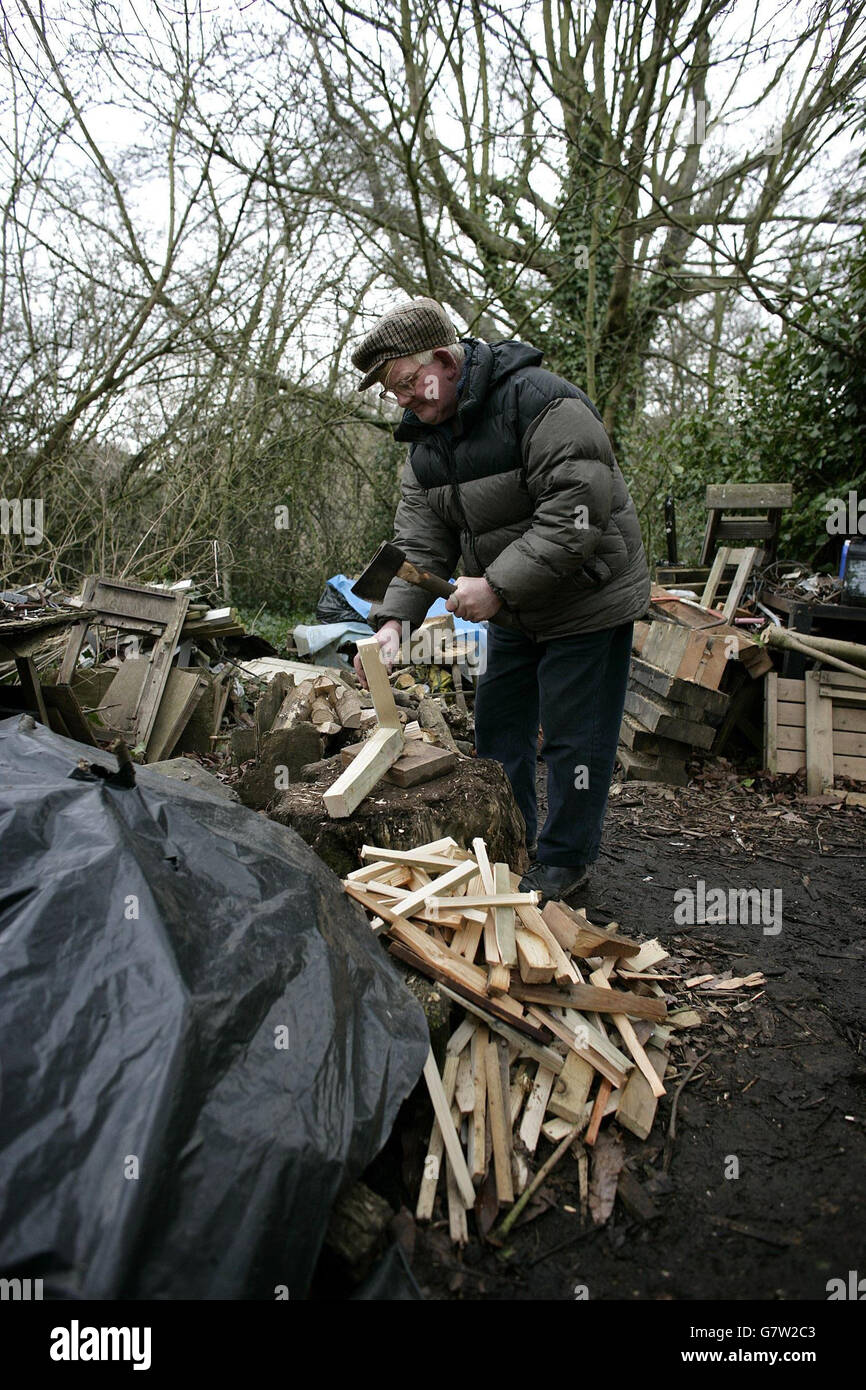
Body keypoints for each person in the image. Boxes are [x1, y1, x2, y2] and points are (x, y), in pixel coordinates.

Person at [350, 296, 650, 901]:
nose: (403, 399)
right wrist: (392, 625)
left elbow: (577, 510)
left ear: (444, 358)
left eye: (408, 383)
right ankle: (511, 844)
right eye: (393, 391)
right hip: (513, 610)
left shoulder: (540, 401)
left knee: (573, 737)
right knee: (500, 728)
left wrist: (498, 584)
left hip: (586, 599)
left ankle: (565, 862)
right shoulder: (425, 447)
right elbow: (419, 542)